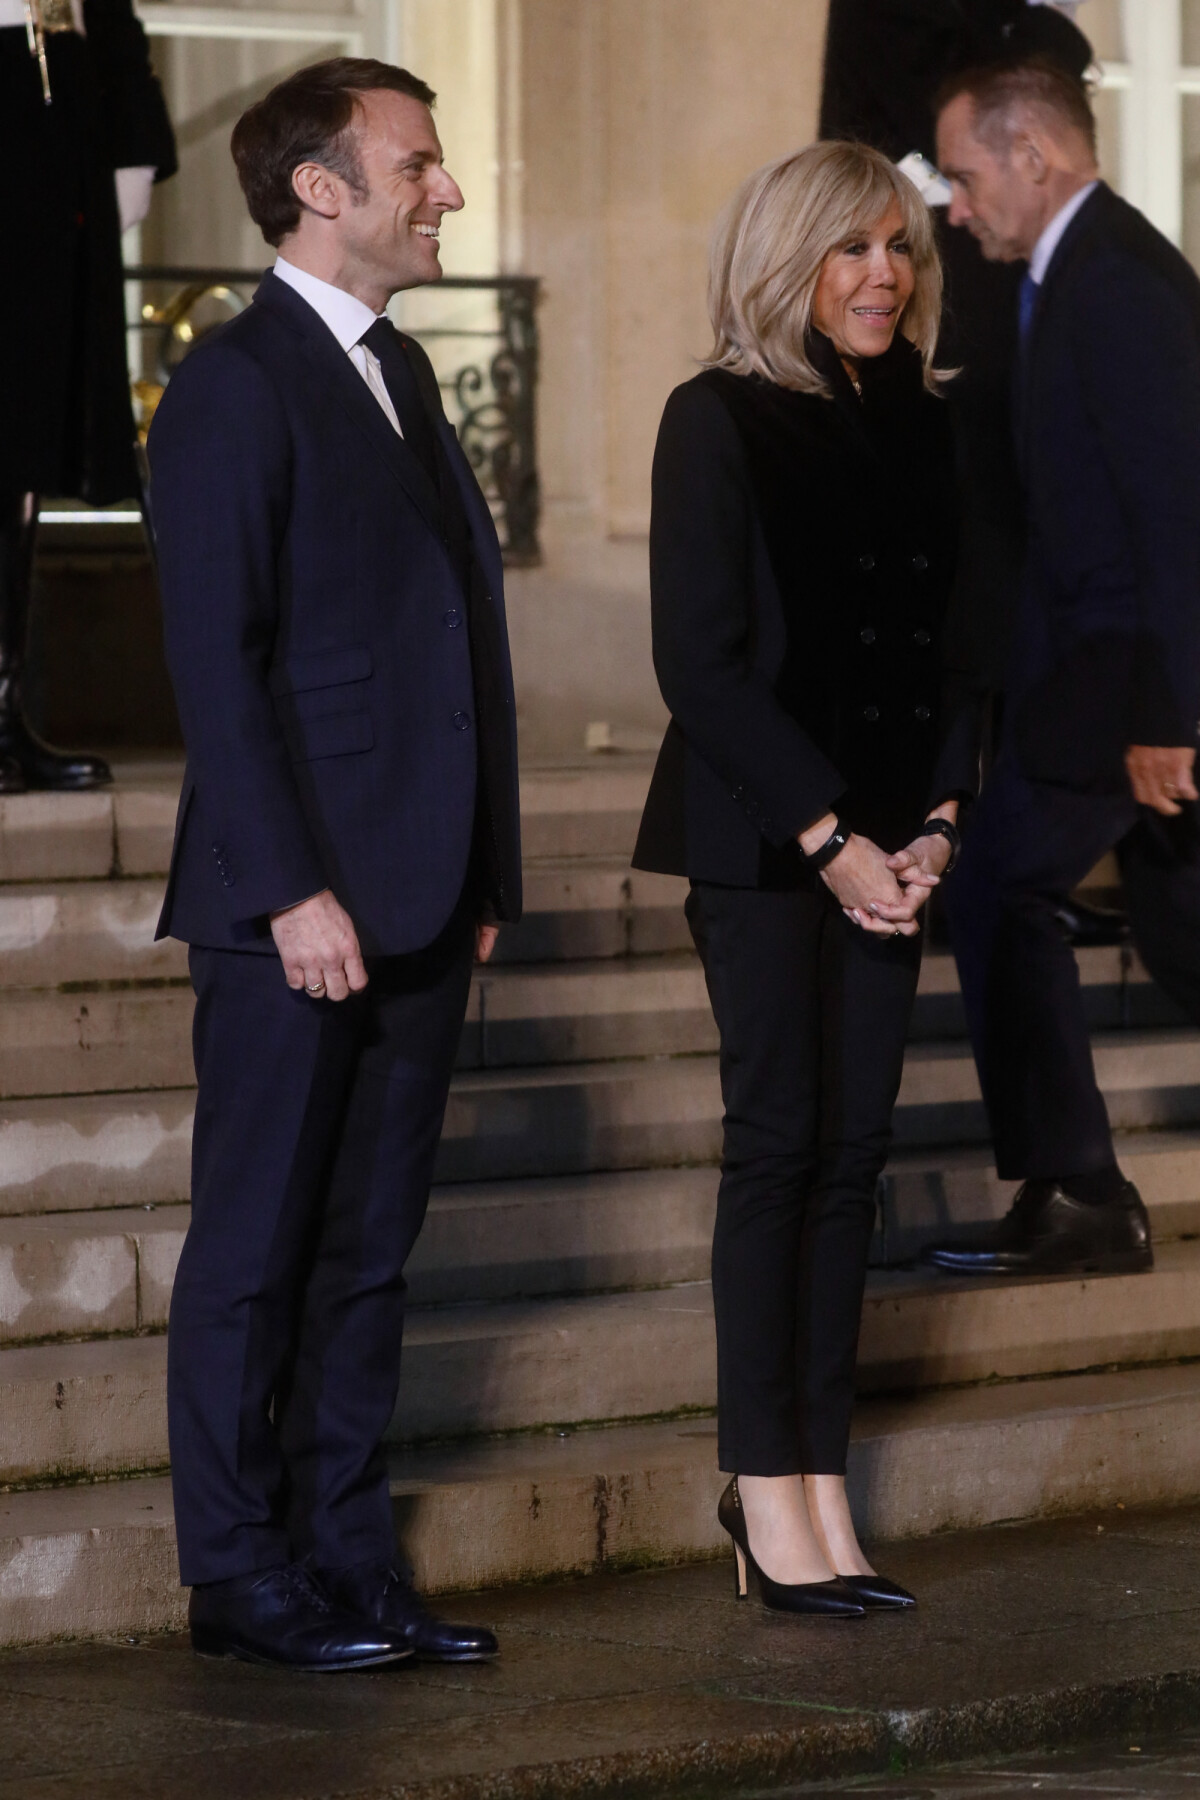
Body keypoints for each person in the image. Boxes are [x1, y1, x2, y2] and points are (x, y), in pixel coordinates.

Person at [147, 57, 521, 1670]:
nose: (445, 192)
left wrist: (490, 873)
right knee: (255, 1248)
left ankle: (349, 1554)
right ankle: (237, 1575)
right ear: (323, 187)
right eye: (418, 164)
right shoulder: (234, 382)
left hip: (427, 893)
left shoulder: (406, 377)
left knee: (371, 1249)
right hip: (293, 902)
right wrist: (290, 888)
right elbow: (215, 670)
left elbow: (454, 645)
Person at [632, 139, 973, 1616]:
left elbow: (970, 644)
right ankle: (764, 1488)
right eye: (849, 249)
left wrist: (941, 825)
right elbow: (698, 665)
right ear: (788, 262)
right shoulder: (714, 418)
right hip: (771, 845)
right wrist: (830, 842)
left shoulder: (938, 421)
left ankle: (820, 1482)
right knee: (780, 1147)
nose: (883, 274)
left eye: (898, 245)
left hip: (902, 845)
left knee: (856, 1162)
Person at [924, 59, 1200, 1279]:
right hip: (1094, 673)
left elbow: (1177, 517)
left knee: (995, 889)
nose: (953, 205)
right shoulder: (1069, 273)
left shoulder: (1121, 281)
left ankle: (1082, 1192)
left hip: (1126, 684)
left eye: (967, 175)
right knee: (1181, 926)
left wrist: (1169, 714)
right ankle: (1079, 1189)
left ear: (1033, 154)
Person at [1, 0, 176, 790]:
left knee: (25, 442)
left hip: (51, 123)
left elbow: (108, 18)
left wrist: (133, 144)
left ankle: (4, 718)